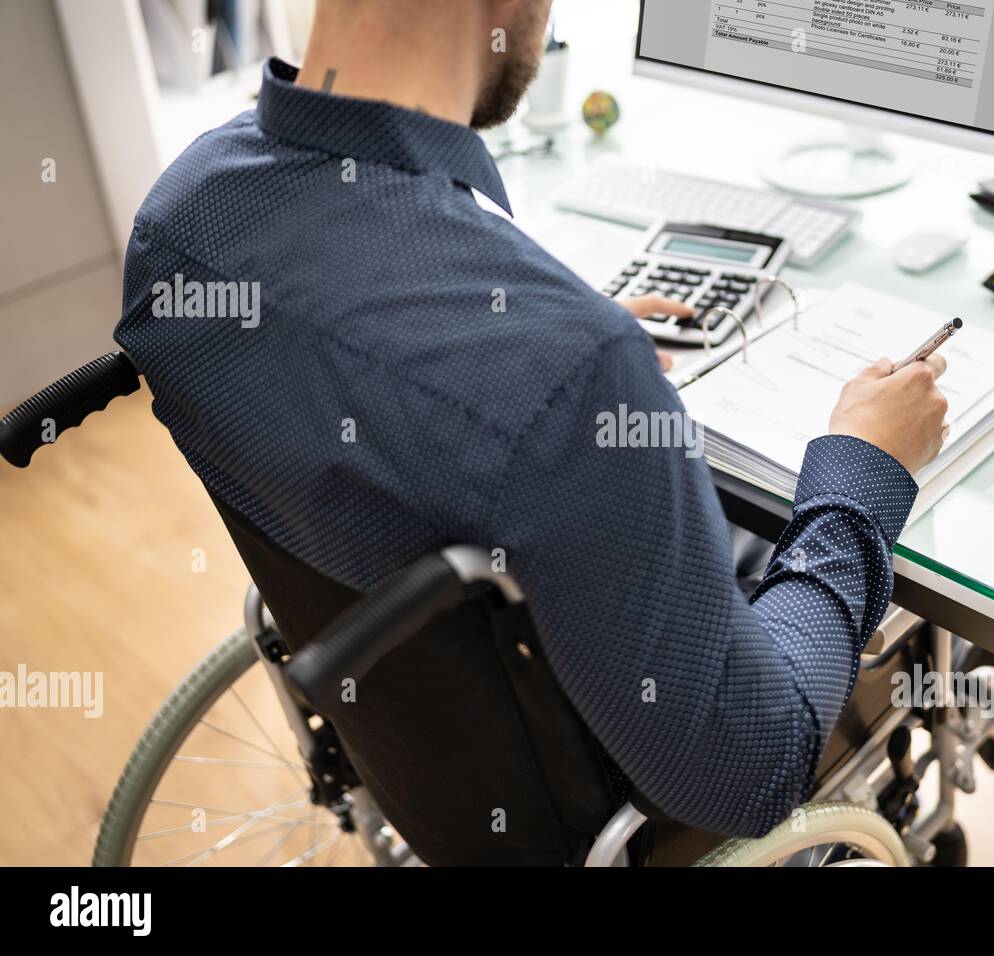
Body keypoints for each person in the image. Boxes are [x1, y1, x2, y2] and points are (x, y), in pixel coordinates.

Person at [113, 0, 948, 839]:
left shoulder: (179, 219)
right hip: (627, 800)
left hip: (431, 771)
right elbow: (751, 776)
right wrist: (863, 463)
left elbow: (360, 370)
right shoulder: (574, 370)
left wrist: (547, 347)